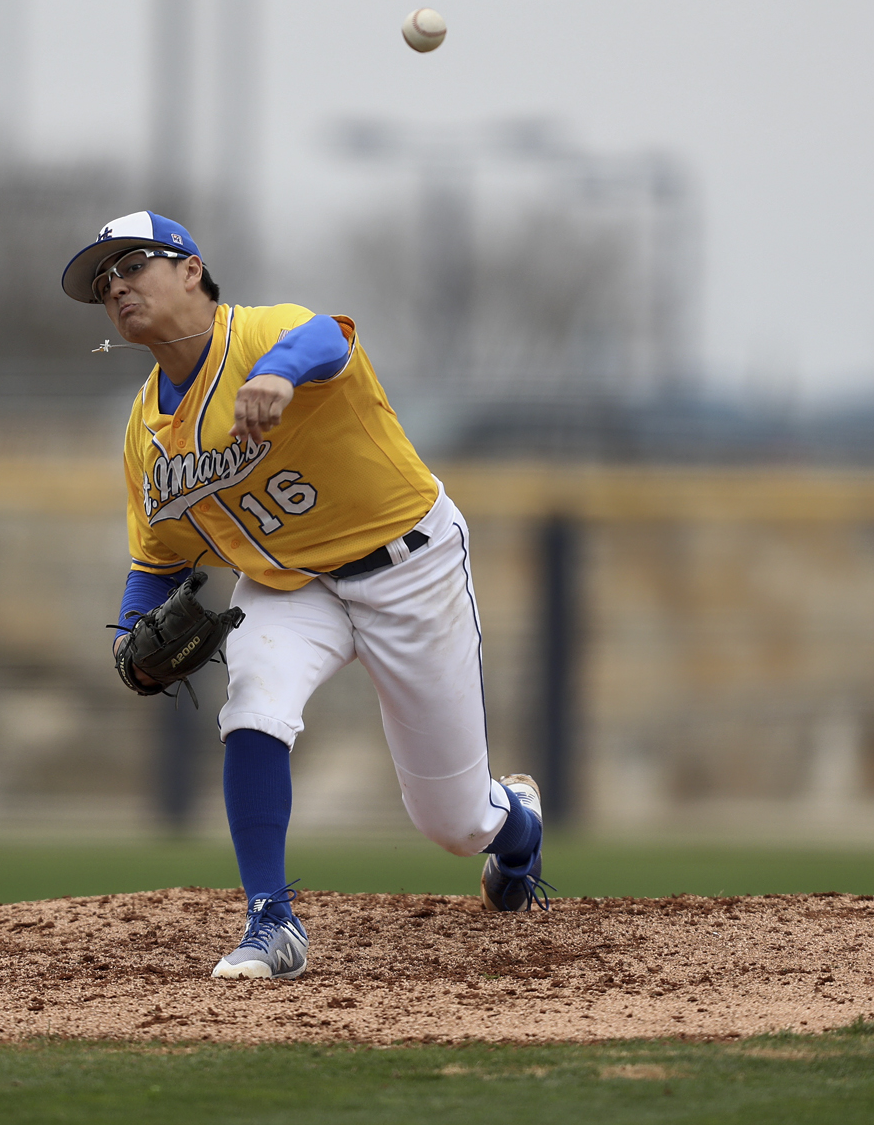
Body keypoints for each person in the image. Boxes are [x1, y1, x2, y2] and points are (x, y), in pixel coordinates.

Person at [60, 211, 547, 981]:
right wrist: (127, 637)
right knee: (253, 700)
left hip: (406, 566)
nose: (116, 284)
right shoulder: (145, 431)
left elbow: (327, 336)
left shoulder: (266, 335)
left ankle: (515, 828)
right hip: (291, 586)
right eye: (102, 280)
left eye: (133, 264)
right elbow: (157, 554)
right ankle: (270, 922)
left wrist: (281, 373)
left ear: (191, 269)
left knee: (454, 825)